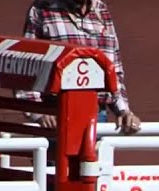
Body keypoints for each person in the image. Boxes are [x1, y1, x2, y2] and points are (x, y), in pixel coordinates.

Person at [19, 0, 140, 134]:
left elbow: (113, 68)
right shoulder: (42, 9)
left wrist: (123, 111)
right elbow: (27, 65)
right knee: (54, 155)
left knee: (94, 154)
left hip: (96, 113)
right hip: (56, 114)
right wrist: (39, 113)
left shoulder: (100, 8)